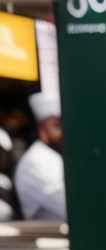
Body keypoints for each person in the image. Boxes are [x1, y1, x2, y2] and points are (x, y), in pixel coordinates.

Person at [14, 91, 67, 222]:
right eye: (57, 125)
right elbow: (70, 208)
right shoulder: (37, 160)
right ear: (42, 130)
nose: (63, 131)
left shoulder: (54, 155)